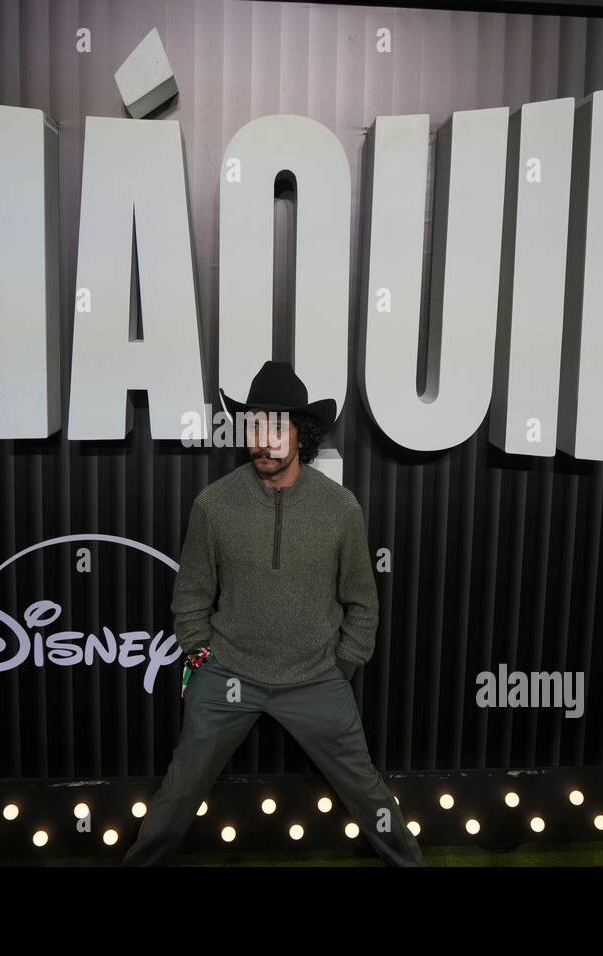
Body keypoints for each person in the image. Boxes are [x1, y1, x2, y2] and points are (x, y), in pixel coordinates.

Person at [122, 360, 424, 866]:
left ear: (300, 435)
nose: (262, 440)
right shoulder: (214, 505)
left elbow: (362, 601)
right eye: (254, 425)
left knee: (368, 792)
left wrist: (341, 666)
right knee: (177, 792)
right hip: (228, 675)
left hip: (315, 678)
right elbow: (191, 595)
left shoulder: (340, 509)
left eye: (276, 427)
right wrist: (202, 658)